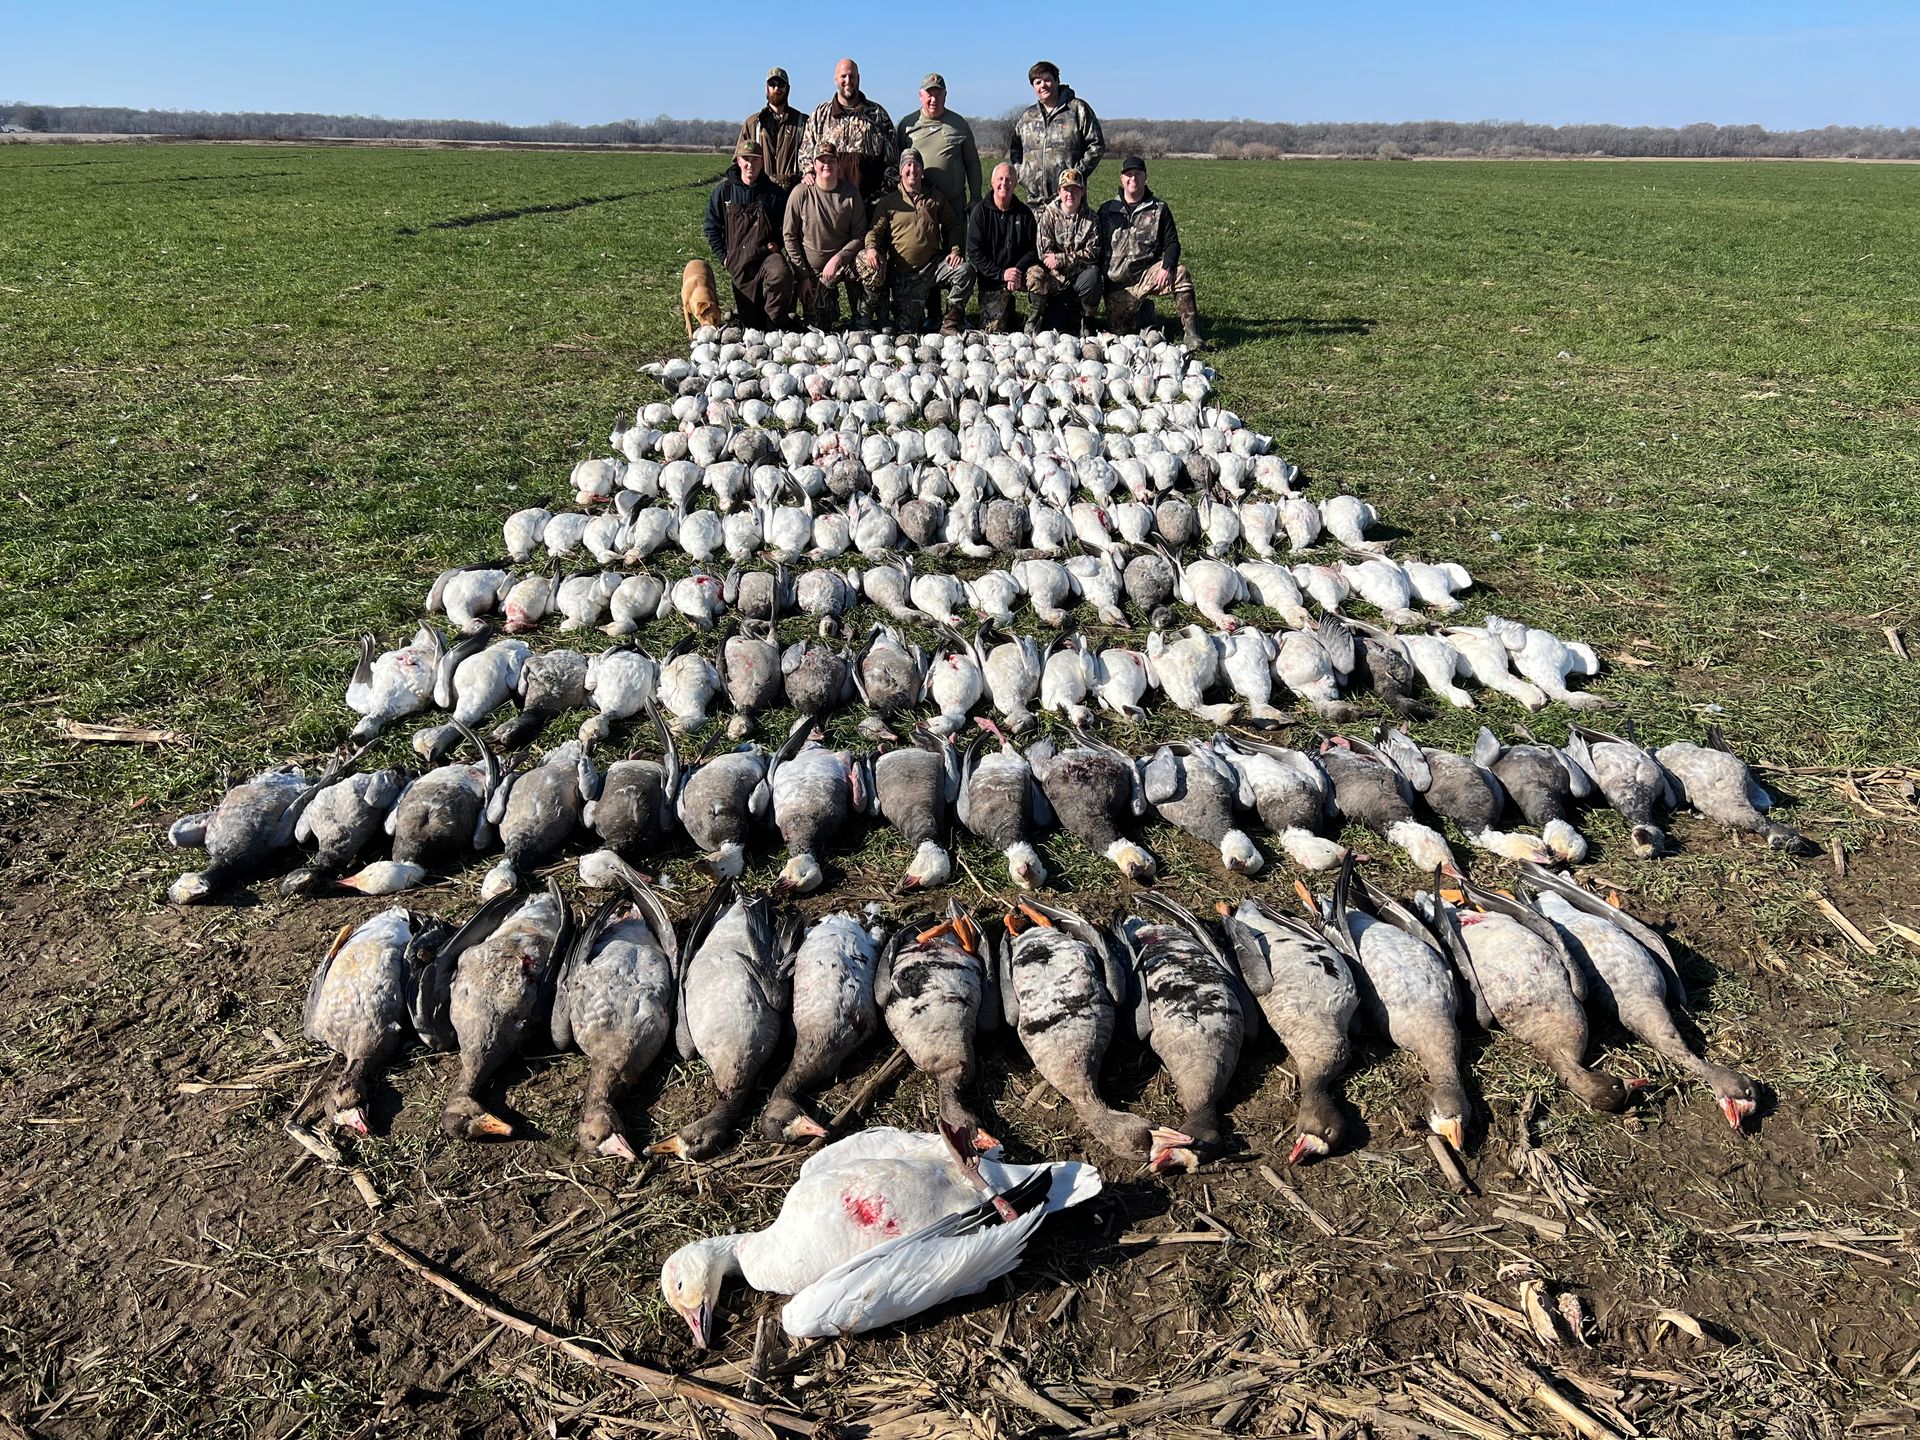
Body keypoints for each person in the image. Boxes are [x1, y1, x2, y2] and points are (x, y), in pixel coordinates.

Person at [857, 148, 974, 334]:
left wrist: (955, 250)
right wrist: (871, 248)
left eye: (917, 165)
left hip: (934, 267)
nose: (912, 169)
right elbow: (874, 232)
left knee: (965, 272)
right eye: (908, 165)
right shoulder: (889, 203)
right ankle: (896, 309)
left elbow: (953, 225)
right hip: (905, 274)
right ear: (901, 171)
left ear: (922, 169)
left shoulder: (936, 198)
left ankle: (950, 322)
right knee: (908, 329)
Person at [1098, 154, 1204, 351]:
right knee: (1122, 333)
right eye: (1128, 175)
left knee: (1180, 273)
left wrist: (1167, 265)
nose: (1133, 179)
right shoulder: (1107, 210)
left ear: (1145, 176)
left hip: (1147, 275)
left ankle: (1192, 335)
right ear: (1122, 178)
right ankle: (1146, 311)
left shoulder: (1159, 209)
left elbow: (1172, 242)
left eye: (1138, 174)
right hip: (1117, 284)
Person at [703, 138, 795, 329]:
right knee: (751, 323)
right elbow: (711, 226)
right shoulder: (724, 192)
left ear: (762, 162)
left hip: (766, 256)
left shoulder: (774, 193)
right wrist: (724, 257)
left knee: (780, 274)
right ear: (737, 160)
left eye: (754, 159)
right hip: (739, 261)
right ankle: (755, 321)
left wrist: (778, 244)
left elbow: (788, 226)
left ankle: (775, 322)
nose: (749, 164)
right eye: (745, 159)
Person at [782, 143, 871, 328]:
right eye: (822, 161)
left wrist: (838, 258)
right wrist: (803, 276)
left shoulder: (851, 194)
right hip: (811, 270)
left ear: (839, 165)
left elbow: (860, 235)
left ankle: (863, 317)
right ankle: (790, 315)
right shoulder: (801, 193)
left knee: (870, 264)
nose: (826, 165)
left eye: (831, 160)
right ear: (814, 165)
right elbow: (789, 236)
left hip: (843, 265)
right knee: (819, 325)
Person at [797, 58, 896, 205]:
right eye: (843, 76)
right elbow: (805, 155)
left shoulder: (878, 115)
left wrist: (880, 202)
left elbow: (892, 164)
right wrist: (809, 172)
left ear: (859, 78)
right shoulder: (820, 115)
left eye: (852, 76)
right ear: (835, 79)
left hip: (867, 209)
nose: (848, 80)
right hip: (828, 207)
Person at [1009, 60, 1104, 204]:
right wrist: (1022, 174)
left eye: (1047, 80)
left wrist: (1076, 174)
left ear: (1057, 80)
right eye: (1038, 82)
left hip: (1069, 202)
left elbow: (1096, 145)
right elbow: (1015, 148)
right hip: (1035, 203)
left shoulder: (1078, 109)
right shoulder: (1027, 117)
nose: (1043, 85)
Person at [894, 73, 981, 224]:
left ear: (945, 95)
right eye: (929, 94)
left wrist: (975, 197)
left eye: (938, 94)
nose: (934, 99)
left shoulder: (959, 124)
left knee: (955, 246)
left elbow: (972, 163)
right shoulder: (907, 125)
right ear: (920, 95)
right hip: (918, 205)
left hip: (953, 204)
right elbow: (897, 166)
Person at [1024, 168, 1102, 335]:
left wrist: (1061, 259)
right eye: (1066, 190)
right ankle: (1033, 322)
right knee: (1034, 274)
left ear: (1082, 192)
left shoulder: (1092, 219)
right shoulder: (1048, 215)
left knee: (1093, 276)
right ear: (1059, 191)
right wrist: (1063, 264)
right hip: (1054, 278)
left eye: (1075, 190)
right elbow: (1044, 253)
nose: (1070, 195)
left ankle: (1086, 322)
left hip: (1079, 278)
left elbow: (1093, 252)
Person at [965, 163, 1038, 334]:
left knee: (1039, 278)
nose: (1004, 183)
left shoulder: (1025, 213)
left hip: (1020, 276)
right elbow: (974, 252)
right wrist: (1001, 274)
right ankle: (1008, 311)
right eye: (1000, 179)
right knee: (993, 331)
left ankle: (1035, 321)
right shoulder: (980, 212)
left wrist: (1017, 270)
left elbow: (1034, 249)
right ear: (992, 182)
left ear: (1015, 183)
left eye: (1009, 179)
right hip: (993, 279)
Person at [735, 67, 804, 191]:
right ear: (766, 88)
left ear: (788, 89)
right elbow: (738, 162)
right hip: (760, 194)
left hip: (792, 195)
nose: (776, 88)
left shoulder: (802, 123)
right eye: (772, 84)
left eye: (781, 85)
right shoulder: (752, 124)